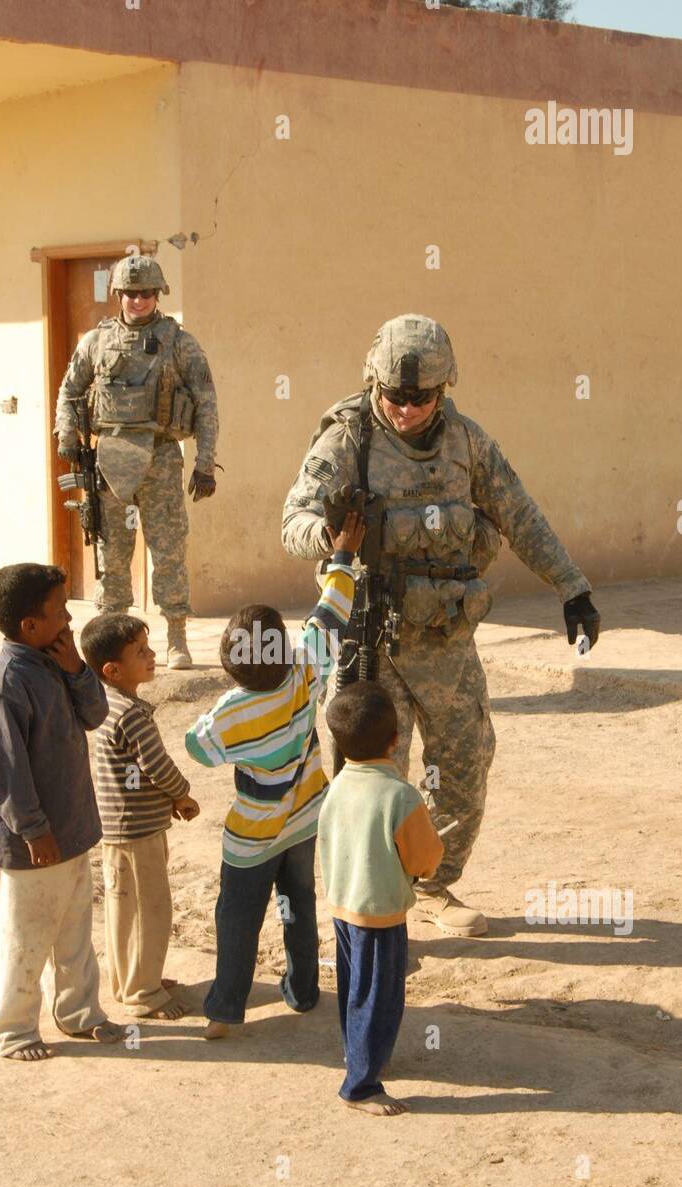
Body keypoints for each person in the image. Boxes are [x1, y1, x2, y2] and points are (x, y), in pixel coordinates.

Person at [282, 314, 601, 937]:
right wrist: (325, 532)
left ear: (444, 389)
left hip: (445, 636)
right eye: (394, 396)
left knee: (467, 759)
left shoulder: (467, 442)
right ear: (374, 382)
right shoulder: (347, 440)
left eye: (420, 397)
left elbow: (519, 513)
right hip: (370, 642)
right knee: (370, 779)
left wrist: (572, 587)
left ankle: (433, 884)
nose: (404, 409)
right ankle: (369, 909)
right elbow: (292, 519)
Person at [184, 511, 365, 1039]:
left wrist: (222, 706)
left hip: (252, 839)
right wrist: (342, 558)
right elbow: (331, 613)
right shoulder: (307, 667)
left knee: (237, 920)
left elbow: (199, 748)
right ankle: (304, 991)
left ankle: (223, 1009)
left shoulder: (231, 714)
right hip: (305, 822)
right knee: (299, 909)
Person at [0, 563, 122, 1060]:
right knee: (23, 937)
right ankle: (13, 1030)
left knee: (74, 931)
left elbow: (96, 715)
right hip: (32, 844)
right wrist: (34, 831)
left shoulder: (57, 660)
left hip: (72, 830)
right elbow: (6, 774)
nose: (69, 620)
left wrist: (79, 669)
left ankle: (80, 1013)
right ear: (28, 626)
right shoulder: (5, 686)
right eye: (59, 612)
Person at [54, 253, 220, 670]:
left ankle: (176, 638)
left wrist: (205, 461)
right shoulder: (96, 341)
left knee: (168, 550)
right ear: (118, 294)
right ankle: (113, 640)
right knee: (112, 553)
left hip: (161, 457)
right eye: (130, 293)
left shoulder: (180, 343)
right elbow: (70, 391)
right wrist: (68, 434)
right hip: (109, 458)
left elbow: (206, 403)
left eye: (146, 292)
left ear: (158, 294)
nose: (138, 300)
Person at [319, 681, 443, 1116]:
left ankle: (357, 1055)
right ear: (396, 739)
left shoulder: (336, 786)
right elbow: (426, 859)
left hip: (342, 906)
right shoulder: (401, 797)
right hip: (381, 914)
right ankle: (361, 1086)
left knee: (353, 989)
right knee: (380, 996)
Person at [80, 612, 200, 1022]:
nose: (151, 657)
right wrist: (182, 795)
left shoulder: (104, 704)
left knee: (123, 908)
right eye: (141, 652)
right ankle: (144, 993)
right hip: (139, 829)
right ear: (113, 669)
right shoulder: (132, 713)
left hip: (117, 828)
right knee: (151, 909)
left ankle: (129, 981)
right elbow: (157, 765)